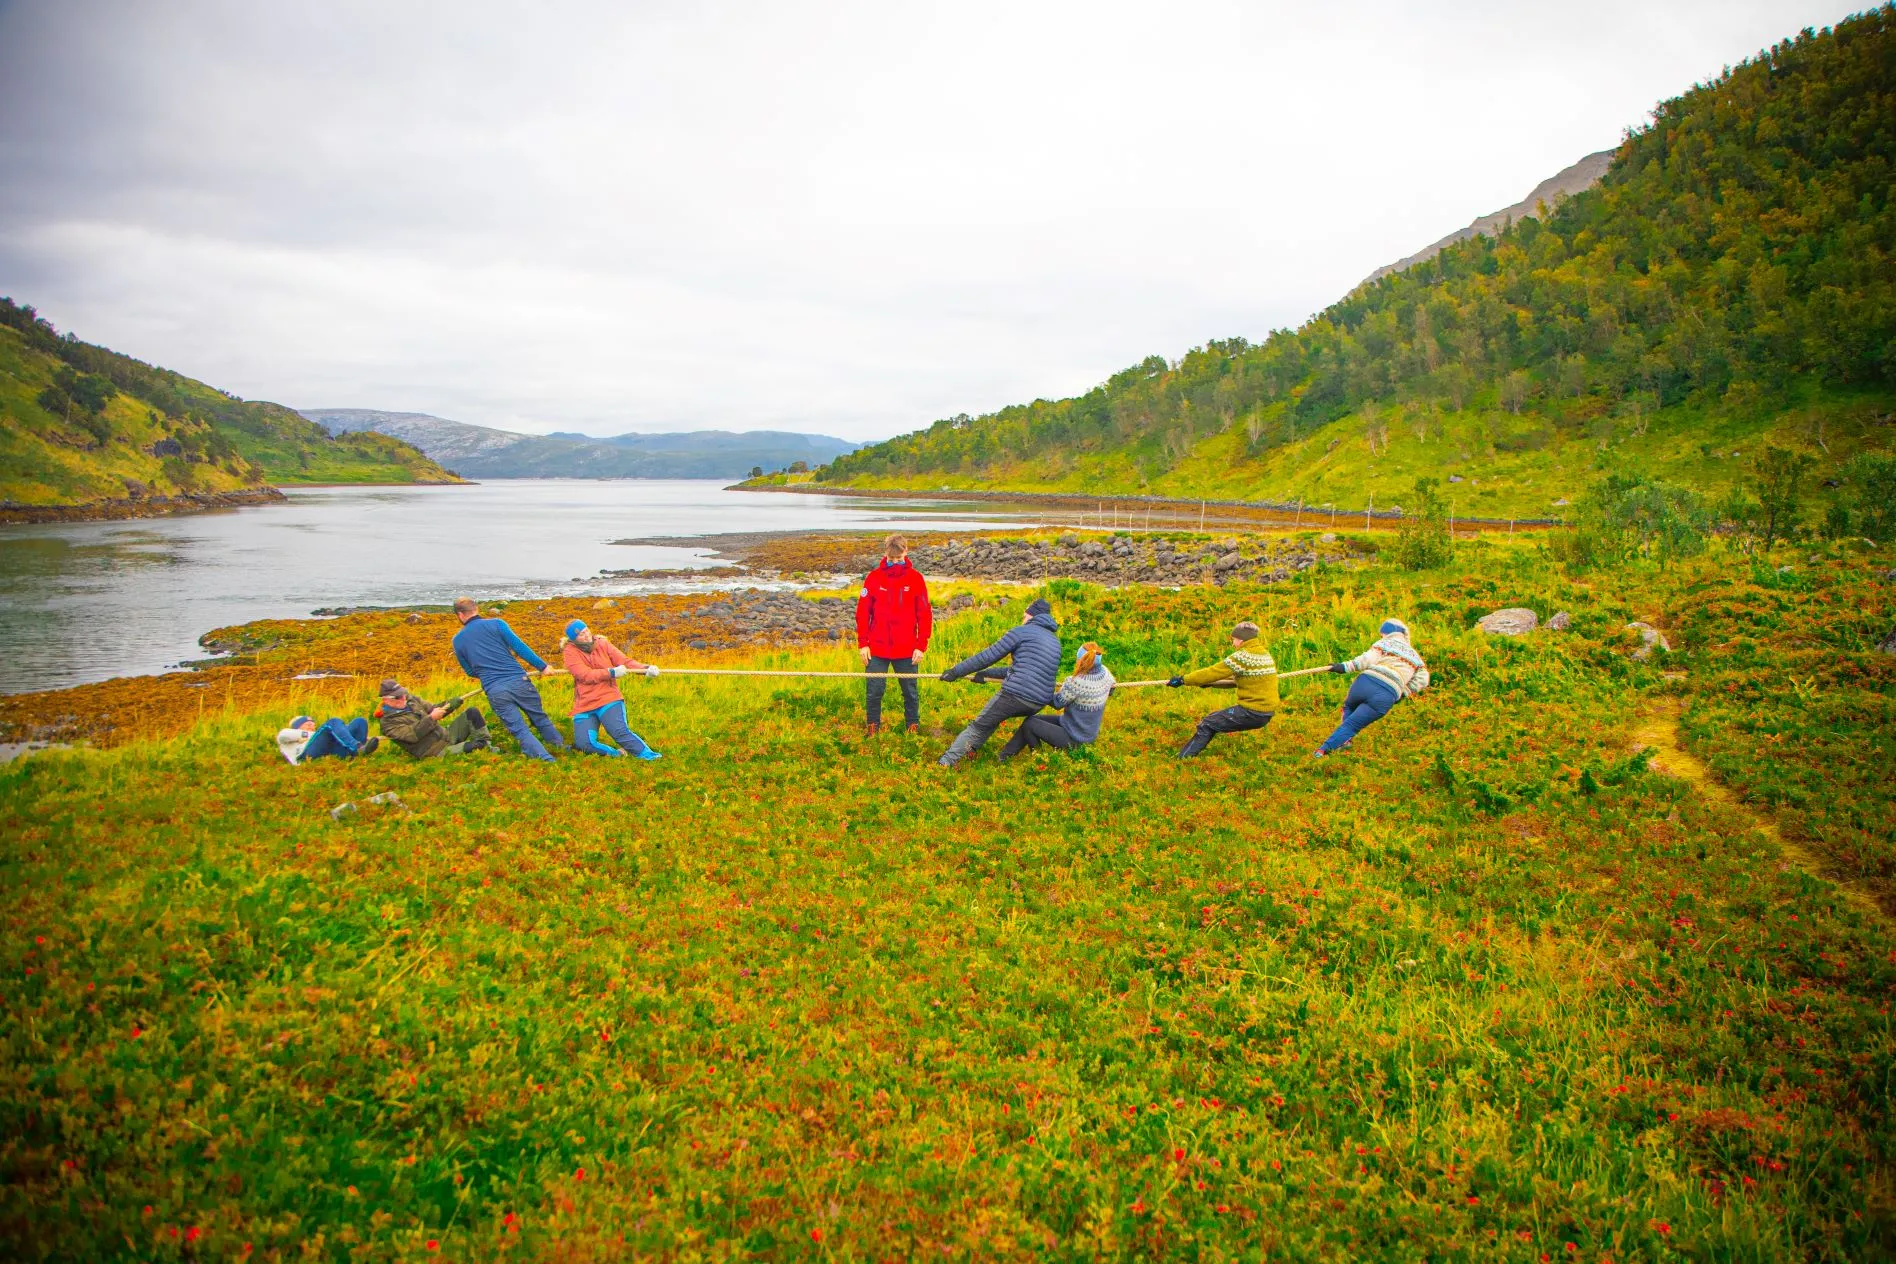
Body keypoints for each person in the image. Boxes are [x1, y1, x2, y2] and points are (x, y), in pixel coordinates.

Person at [935, 597, 1063, 767]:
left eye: (1024, 616)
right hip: (1038, 702)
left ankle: (944, 765)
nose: (1022, 620)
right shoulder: (1055, 641)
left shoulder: (1021, 632)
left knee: (978, 726)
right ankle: (970, 752)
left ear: (1032, 616)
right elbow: (1021, 670)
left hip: (1016, 696)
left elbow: (987, 656)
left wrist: (955, 672)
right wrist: (986, 674)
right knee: (992, 719)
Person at [450, 596, 567, 762]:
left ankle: (545, 759)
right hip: (519, 681)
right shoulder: (497, 624)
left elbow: (469, 671)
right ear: (476, 609)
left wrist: (486, 673)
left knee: (519, 729)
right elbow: (520, 647)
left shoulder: (458, 640)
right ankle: (559, 747)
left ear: (460, 615)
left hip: (495, 689)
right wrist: (543, 667)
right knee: (539, 717)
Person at [1314, 618, 1430, 757]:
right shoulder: (1416, 657)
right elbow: (1424, 679)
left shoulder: (1385, 643)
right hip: (1387, 693)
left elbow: (1367, 659)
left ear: (1387, 633)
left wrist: (1344, 667)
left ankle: (1339, 743)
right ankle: (1325, 749)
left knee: (1349, 706)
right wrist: (1404, 692)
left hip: (1365, 682)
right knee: (1353, 725)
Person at [856, 533, 932, 735]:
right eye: (891, 559)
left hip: (907, 648)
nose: (895, 562)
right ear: (885, 554)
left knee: (910, 692)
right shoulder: (873, 578)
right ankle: (872, 730)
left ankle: (912, 730)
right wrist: (863, 644)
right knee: (874, 691)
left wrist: (920, 646)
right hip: (877, 648)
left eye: (899, 559)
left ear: (906, 552)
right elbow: (863, 613)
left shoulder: (916, 579)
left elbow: (924, 614)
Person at [1168, 620, 1279, 758]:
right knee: (1213, 720)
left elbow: (1212, 672)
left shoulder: (1243, 657)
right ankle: (1186, 757)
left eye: (1234, 639)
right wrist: (1211, 684)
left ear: (1241, 639)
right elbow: (1235, 682)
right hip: (1265, 713)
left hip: (1252, 712)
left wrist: (1183, 679)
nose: (1233, 643)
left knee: (1208, 724)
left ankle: (1183, 760)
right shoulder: (1264, 654)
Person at [561, 619, 663, 759]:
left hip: (608, 697)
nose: (586, 635)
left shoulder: (602, 644)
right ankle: (616, 755)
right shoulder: (570, 652)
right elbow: (584, 675)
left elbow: (624, 661)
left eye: (586, 630)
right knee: (584, 744)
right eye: (581, 635)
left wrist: (645, 669)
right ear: (573, 640)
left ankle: (650, 757)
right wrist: (611, 673)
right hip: (584, 703)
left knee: (619, 732)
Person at [997, 641, 1115, 761]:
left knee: (1030, 724)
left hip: (1074, 738)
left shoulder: (1077, 682)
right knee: (1032, 720)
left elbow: (1057, 703)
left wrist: (1039, 688)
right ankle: (1005, 756)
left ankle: (1040, 758)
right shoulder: (1106, 673)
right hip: (1079, 730)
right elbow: (1111, 690)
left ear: (1080, 660)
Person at [374, 679, 491, 758]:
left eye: (403, 693)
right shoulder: (387, 723)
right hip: (434, 751)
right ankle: (485, 748)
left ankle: (487, 745)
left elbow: (433, 709)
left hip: (447, 735)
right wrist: (431, 718)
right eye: (398, 696)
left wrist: (451, 704)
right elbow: (412, 736)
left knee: (472, 712)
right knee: (477, 746)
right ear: (386, 700)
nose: (403, 698)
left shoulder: (411, 700)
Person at [275, 714, 378, 764]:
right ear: (298, 726)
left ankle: (358, 754)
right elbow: (282, 735)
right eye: (308, 724)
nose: (312, 726)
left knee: (359, 722)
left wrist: (341, 732)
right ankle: (357, 748)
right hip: (305, 755)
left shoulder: (316, 736)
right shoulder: (286, 735)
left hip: (328, 751)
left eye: (313, 725)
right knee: (333, 722)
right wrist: (311, 734)